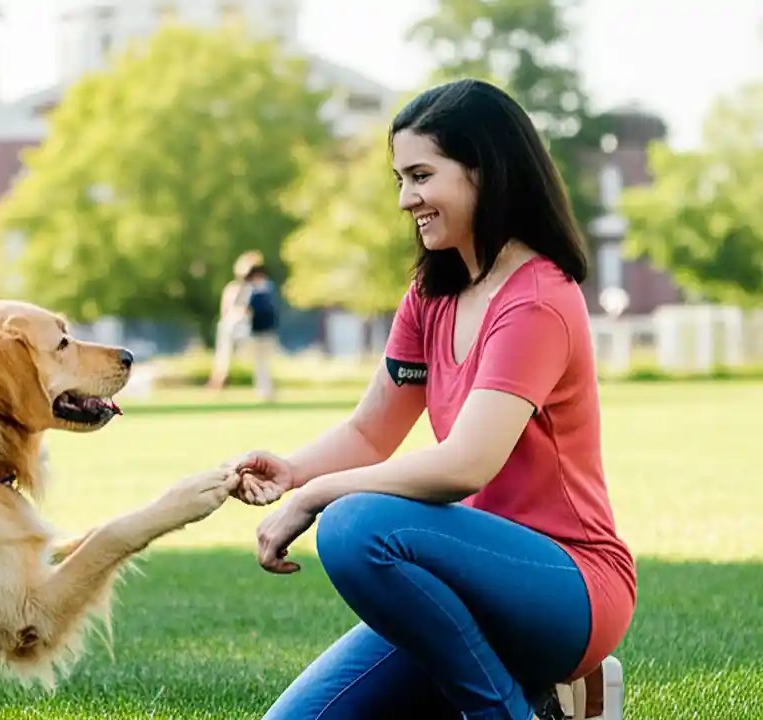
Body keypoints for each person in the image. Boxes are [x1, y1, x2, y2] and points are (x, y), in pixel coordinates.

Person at [226, 79, 636, 720]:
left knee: (354, 527)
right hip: (458, 587)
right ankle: (556, 700)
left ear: (484, 170)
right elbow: (370, 431)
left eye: (421, 174)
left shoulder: (536, 299)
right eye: (399, 177)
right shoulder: (431, 295)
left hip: (569, 588)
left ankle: (511, 707)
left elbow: (464, 466)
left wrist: (313, 498)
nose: (405, 198)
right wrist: (294, 471)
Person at [208, 250, 264, 390]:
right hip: (233, 324)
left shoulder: (253, 289)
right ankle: (218, 381)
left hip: (244, 326)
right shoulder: (234, 288)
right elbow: (226, 309)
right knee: (223, 356)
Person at [242, 263, 279, 402]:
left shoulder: (266, 289)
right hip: (257, 331)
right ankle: (262, 391)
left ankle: (266, 391)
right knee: (260, 363)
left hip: (266, 331)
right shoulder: (253, 290)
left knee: (264, 363)